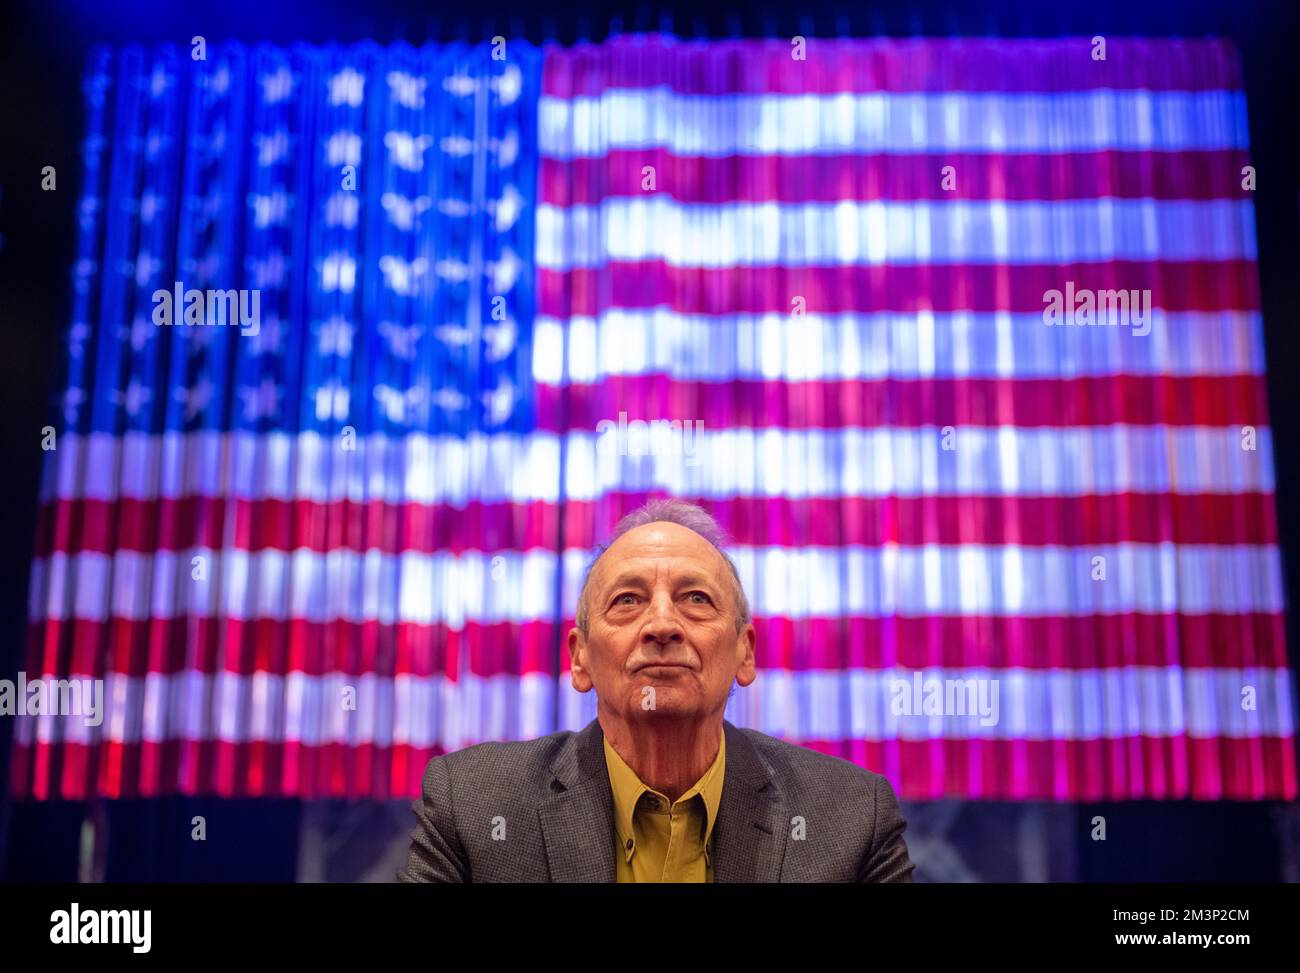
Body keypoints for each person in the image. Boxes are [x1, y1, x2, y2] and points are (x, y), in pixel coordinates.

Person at [399, 498, 915, 882]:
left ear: (745, 652)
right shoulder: (471, 808)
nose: (662, 625)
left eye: (695, 598)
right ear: (579, 657)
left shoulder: (851, 820)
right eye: (627, 600)